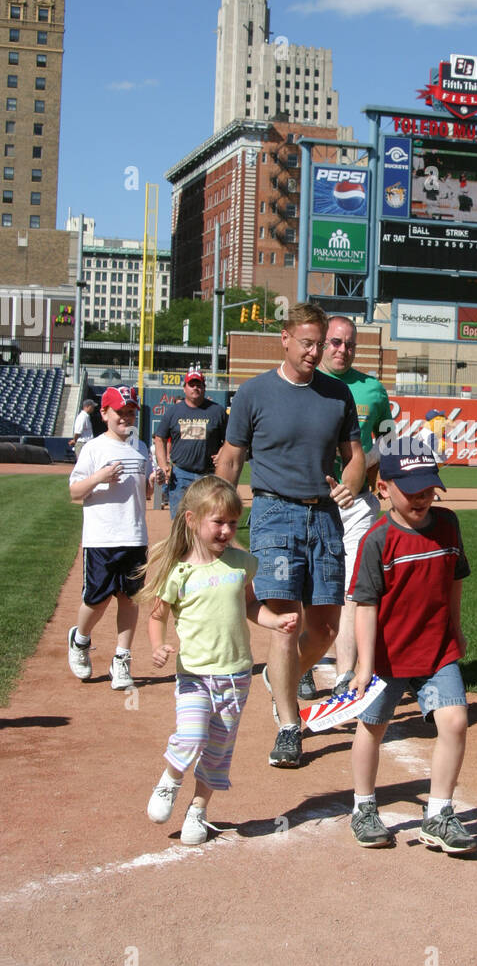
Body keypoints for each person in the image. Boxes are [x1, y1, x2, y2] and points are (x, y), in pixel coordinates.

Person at [214, 302, 365, 770]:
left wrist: (351, 484)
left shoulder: (338, 395)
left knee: (324, 628)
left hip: (324, 518)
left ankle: (279, 679)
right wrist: (222, 520)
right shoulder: (255, 393)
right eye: (307, 343)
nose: (315, 352)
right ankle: (288, 725)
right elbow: (231, 460)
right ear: (284, 338)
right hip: (275, 515)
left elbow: (354, 455)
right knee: (285, 624)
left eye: (321, 343)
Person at [139, 476, 298, 846]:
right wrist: (158, 645)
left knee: (218, 751)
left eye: (232, 522)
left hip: (236, 676)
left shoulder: (241, 563)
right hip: (195, 675)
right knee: (192, 736)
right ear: (192, 520)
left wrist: (275, 621)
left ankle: (198, 809)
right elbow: (157, 615)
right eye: (218, 522)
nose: (226, 530)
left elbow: (250, 606)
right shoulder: (179, 570)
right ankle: (171, 780)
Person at [347, 439, 477, 854]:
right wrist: (364, 664)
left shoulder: (448, 525)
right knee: (372, 727)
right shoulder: (378, 540)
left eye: (429, 488)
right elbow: (364, 606)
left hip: (437, 650)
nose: (423, 497)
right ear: (383, 488)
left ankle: (438, 814)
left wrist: (455, 628)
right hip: (388, 655)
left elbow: (455, 580)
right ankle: (364, 806)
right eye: (411, 489)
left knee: (455, 722)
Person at [318, 315, 392, 696]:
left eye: (349, 344)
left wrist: (369, 464)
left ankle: (345, 673)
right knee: (308, 584)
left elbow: (387, 438)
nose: (341, 350)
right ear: (322, 342)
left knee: (352, 589)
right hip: (311, 501)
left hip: (358, 503)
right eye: (335, 342)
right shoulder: (305, 382)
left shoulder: (372, 391)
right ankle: (305, 659)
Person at [67, 386, 157, 690]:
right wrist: (99, 477)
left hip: (134, 536)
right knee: (96, 599)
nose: (127, 417)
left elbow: (143, 493)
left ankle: (122, 658)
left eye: (131, 411)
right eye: (120, 411)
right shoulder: (94, 449)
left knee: (130, 599)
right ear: (104, 413)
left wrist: (151, 484)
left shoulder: (141, 448)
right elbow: (75, 492)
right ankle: (80, 640)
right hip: (102, 536)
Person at [152, 371, 228, 519]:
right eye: (191, 384)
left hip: (208, 475)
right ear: (184, 388)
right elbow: (159, 437)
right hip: (180, 475)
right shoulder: (174, 411)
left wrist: (222, 453)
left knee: (207, 519)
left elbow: (231, 439)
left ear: (204, 388)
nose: (195, 388)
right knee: (180, 520)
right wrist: (163, 464)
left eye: (198, 385)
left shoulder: (217, 411)